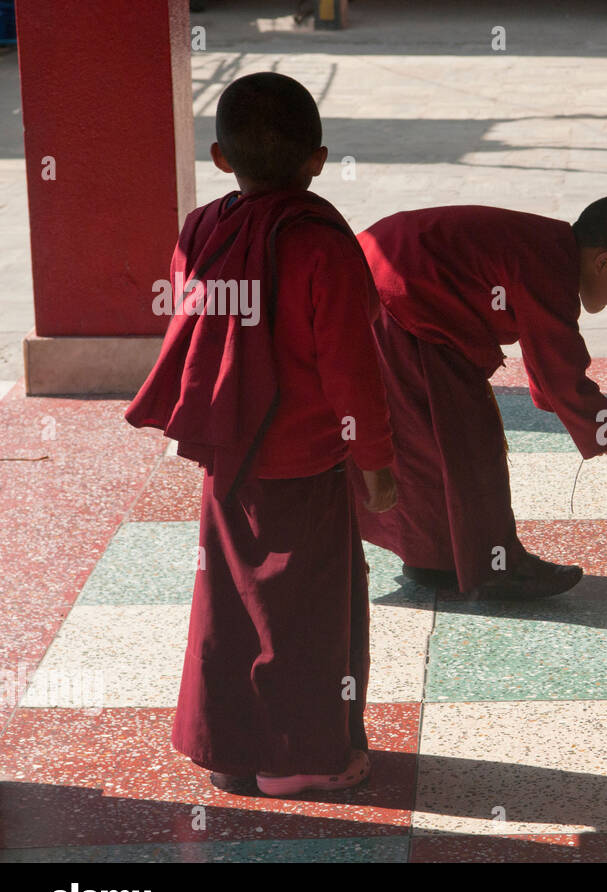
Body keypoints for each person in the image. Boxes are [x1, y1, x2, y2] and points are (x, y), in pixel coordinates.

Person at [125, 72, 397, 797]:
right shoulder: (321, 243)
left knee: (229, 601)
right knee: (303, 610)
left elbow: (194, 321)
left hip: (229, 449)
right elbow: (351, 368)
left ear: (219, 157)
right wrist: (375, 459)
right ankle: (300, 759)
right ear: (319, 157)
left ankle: (228, 748)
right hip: (305, 456)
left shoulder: (201, 226)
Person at [356, 196, 607, 599]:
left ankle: (437, 561)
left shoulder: (548, 249)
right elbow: (564, 381)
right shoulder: (548, 266)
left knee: (429, 441)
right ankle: (497, 569)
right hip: (400, 298)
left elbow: (552, 377)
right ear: (603, 262)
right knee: (466, 441)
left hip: (389, 280)